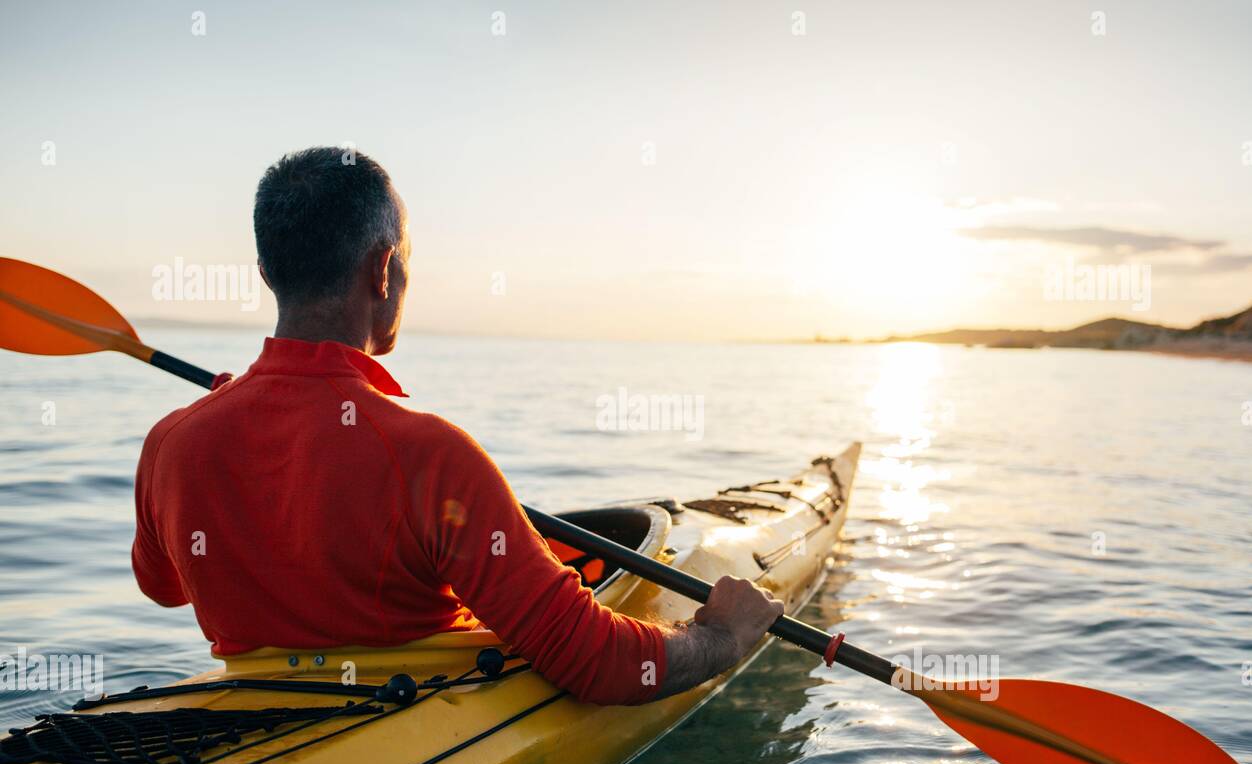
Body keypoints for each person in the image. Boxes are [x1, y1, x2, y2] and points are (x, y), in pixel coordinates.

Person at [131, 147, 783, 705]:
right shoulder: (429, 454)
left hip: (255, 720)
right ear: (383, 270)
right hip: (419, 722)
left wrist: (239, 414)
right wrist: (720, 635)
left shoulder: (171, 443)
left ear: (268, 272)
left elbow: (161, 587)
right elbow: (594, 660)